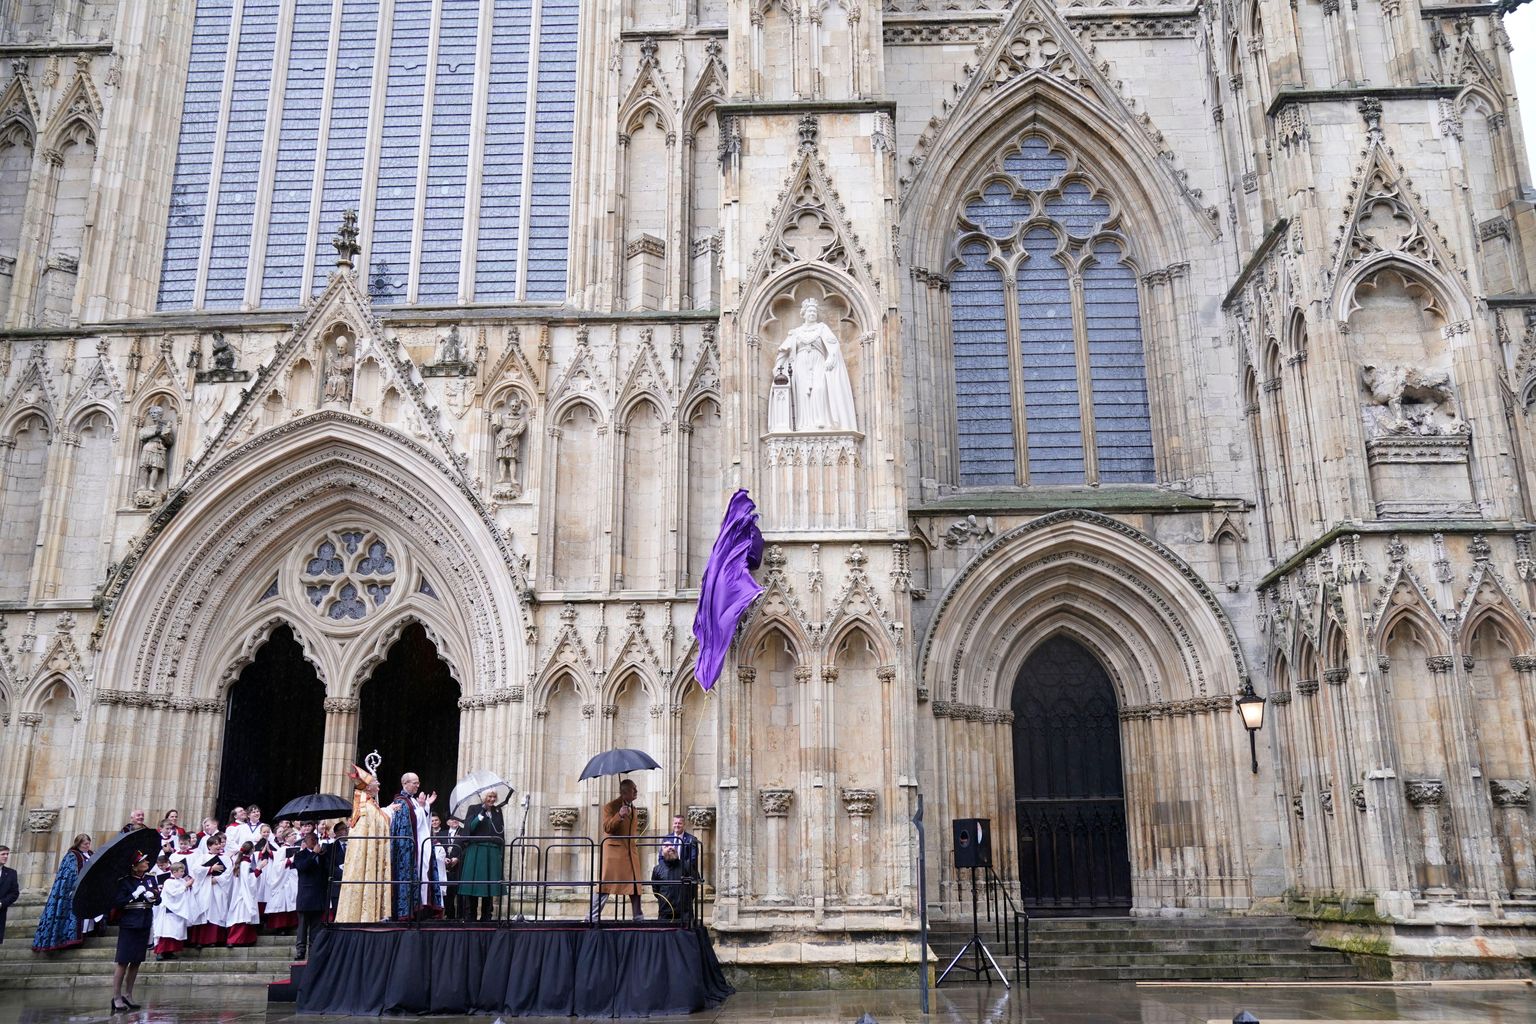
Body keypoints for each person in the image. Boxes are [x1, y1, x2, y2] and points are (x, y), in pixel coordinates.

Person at [336, 767, 398, 924]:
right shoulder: (365, 807)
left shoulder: (369, 803)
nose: (379, 784)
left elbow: (377, 821)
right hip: (366, 855)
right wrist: (389, 811)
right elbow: (377, 823)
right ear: (368, 787)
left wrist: (388, 811)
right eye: (376, 782)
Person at [588, 779, 644, 922]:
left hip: (630, 853)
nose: (636, 792)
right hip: (615, 854)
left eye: (636, 789)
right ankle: (592, 917)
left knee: (635, 885)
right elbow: (607, 827)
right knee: (605, 885)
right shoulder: (610, 807)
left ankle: (638, 917)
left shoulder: (634, 809)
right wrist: (619, 815)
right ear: (624, 792)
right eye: (633, 789)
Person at [110, 854, 159, 1012]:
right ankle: (116, 996)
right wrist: (134, 894)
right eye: (143, 861)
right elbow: (118, 902)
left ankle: (128, 994)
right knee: (123, 961)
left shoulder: (150, 879)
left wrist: (154, 897)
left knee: (137, 961)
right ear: (134, 865)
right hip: (130, 923)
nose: (147, 863)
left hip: (145, 920)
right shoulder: (124, 881)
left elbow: (158, 900)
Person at [389, 772, 438, 919]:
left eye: (418, 783)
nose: (418, 786)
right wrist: (423, 806)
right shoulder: (401, 801)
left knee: (423, 875)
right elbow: (408, 822)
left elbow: (421, 821)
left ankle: (421, 910)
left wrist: (425, 806)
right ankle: (407, 911)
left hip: (419, 845)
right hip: (408, 848)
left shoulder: (414, 801)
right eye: (414, 783)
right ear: (405, 783)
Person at [33, 833, 93, 952]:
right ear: (79, 844)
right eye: (85, 843)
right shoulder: (72, 856)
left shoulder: (91, 854)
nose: (87, 845)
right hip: (74, 891)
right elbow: (68, 874)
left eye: (88, 843)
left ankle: (84, 935)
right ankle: (70, 938)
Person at [459, 792, 505, 922]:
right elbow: (470, 828)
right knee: (474, 885)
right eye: (489, 797)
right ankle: (471, 916)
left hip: (492, 851)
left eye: (494, 797)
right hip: (477, 850)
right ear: (483, 797)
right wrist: (482, 813)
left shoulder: (497, 811)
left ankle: (487, 916)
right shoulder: (474, 808)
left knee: (489, 886)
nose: (492, 799)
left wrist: (501, 850)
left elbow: (501, 831)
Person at [292, 831, 329, 961]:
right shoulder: (300, 855)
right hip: (306, 896)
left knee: (316, 927)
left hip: (318, 896)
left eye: (316, 838)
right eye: (311, 839)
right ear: (306, 841)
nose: (314, 841)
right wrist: (313, 854)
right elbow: (302, 868)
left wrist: (321, 855)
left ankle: (313, 951)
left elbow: (326, 872)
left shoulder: (322, 856)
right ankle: (300, 950)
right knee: (302, 927)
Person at [153, 860, 193, 960]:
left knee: (175, 932)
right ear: (174, 872)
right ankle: (160, 952)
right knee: (166, 931)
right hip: (169, 910)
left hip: (179, 910)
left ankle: (170, 951)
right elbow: (173, 893)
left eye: (183, 871)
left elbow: (185, 893)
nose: (183, 873)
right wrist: (185, 886)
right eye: (181, 871)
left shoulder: (182, 881)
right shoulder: (168, 882)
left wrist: (188, 886)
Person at [649, 843, 699, 923]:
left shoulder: (687, 866)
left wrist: (686, 901)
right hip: (665, 913)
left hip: (685, 914)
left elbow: (694, 887)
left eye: (672, 845)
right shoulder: (657, 870)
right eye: (666, 846)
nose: (670, 847)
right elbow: (656, 892)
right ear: (662, 852)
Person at [435, 816, 464, 919]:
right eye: (452, 819)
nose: (455, 821)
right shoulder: (441, 834)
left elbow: (467, 848)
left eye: (457, 819)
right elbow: (437, 850)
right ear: (447, 822)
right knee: (448, 895)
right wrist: (444, 859)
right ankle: (449, 917)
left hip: (460, 868)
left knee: (461, 894)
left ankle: (461, 918)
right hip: (446, 868)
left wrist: (458, 858)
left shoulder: (464, 832)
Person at [327, 822, 349, 918]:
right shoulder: (331, 848)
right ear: (336, 832)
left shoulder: (354, 845)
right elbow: (329, 866)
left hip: (352, 882)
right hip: (337, 883)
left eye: (346, 828)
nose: (346, 831)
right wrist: (342, 871)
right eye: (343, 829)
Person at [0, 845, 18, 945]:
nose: (6, 856)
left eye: (7, 854)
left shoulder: (11, 873)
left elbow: (14, 893)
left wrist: (2, 903)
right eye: (3, 854)